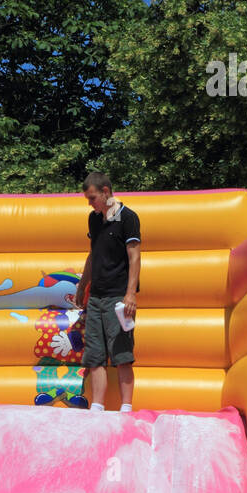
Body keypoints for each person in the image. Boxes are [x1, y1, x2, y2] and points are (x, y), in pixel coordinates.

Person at [74, 170, 141, 416]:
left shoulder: (128, 217)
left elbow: (134, 257)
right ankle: (97, 407)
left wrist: (130, 294)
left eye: (92, 198)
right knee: (94, 354)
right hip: (97, 297)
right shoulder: (94, 219)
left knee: (122, 353)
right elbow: (94, 255)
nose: (90, 203)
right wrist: (83, 287)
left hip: (118, 297)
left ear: (105, 192)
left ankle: (126, 409)